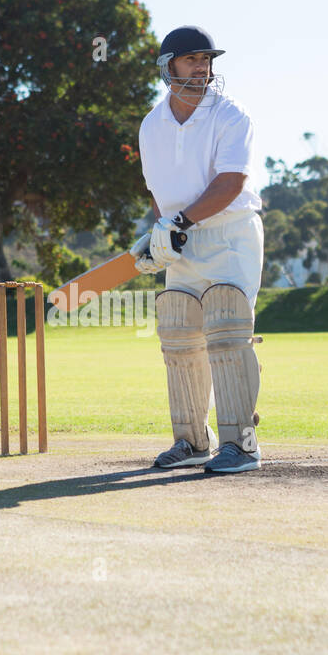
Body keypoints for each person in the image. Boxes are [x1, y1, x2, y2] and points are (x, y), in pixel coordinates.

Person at [129, 26, 265, 473]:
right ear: (168, 68)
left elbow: (231, 183)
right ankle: (191, 441)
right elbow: (159, 190)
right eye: (192, 60)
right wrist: (159, 234)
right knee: (179, 333)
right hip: (180, 238)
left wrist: (179, 223)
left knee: (227, 330)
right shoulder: (152, 125)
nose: (202, 68)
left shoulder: (230, 115)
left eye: (207, 60)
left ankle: (242, 447)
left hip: (230, 233)